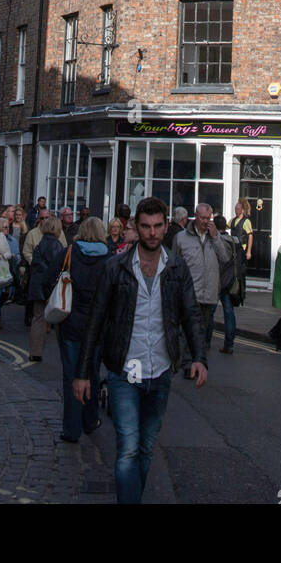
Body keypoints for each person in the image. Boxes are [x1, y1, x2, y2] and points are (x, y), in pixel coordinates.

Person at [74, 197, 207, 504]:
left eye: (158, 226)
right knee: (129, 448)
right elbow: (95, 322)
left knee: (146, 449)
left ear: (166, 226)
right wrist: (83, 374)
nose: (152, 233)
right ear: (135, 226)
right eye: (145, 227)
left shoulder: (176, 267)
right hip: (124, 371)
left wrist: (199, 357)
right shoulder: (115, 268)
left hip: (160, 371)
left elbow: (191, 314)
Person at [57, 216, 109, 442]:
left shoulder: (69, 253)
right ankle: (90, 420)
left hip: (71, 323)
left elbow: (49, 278)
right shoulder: (109, 259)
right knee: (93, 373)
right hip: (96, 326)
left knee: (71, 375)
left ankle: (71, 429)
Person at [172, 202, 229, 371]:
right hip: (189, 292)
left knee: (201, 332)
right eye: (203, 218)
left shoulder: (215, 236)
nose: (205, 221)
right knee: (188, 329)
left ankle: (197, 362)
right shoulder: (181, 238)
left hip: (209, 293)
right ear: (195, 216)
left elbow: (225, 258)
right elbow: (174, 264)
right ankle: (188, 364)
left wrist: (216, 236)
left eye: (208, 218)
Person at [27, 216, 66, 361]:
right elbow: (57, 268)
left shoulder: (40, 244)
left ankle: (35, 352)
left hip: (37, 286)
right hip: (51, 287)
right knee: (58, 319)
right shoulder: (57, 246)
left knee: (38, 318)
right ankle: (64, 353)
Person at [215, 214, 245, 354]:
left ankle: (205, 342)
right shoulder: (235, 240)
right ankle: (229, 344)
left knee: (208, 311)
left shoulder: (216, 240)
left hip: (217, 279)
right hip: (231, 280)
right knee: (229, 312)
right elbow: (242, 260)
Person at [230, 198, 254, 266]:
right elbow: (223, 227)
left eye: (238, 209)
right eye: (235, 209)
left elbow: (250, 236)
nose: (236, 211)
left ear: (242, 210)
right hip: (233, 248)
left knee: (241, 269)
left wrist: (249, 251)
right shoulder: (233, 220)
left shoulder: (246, 221)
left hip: (242, 249)